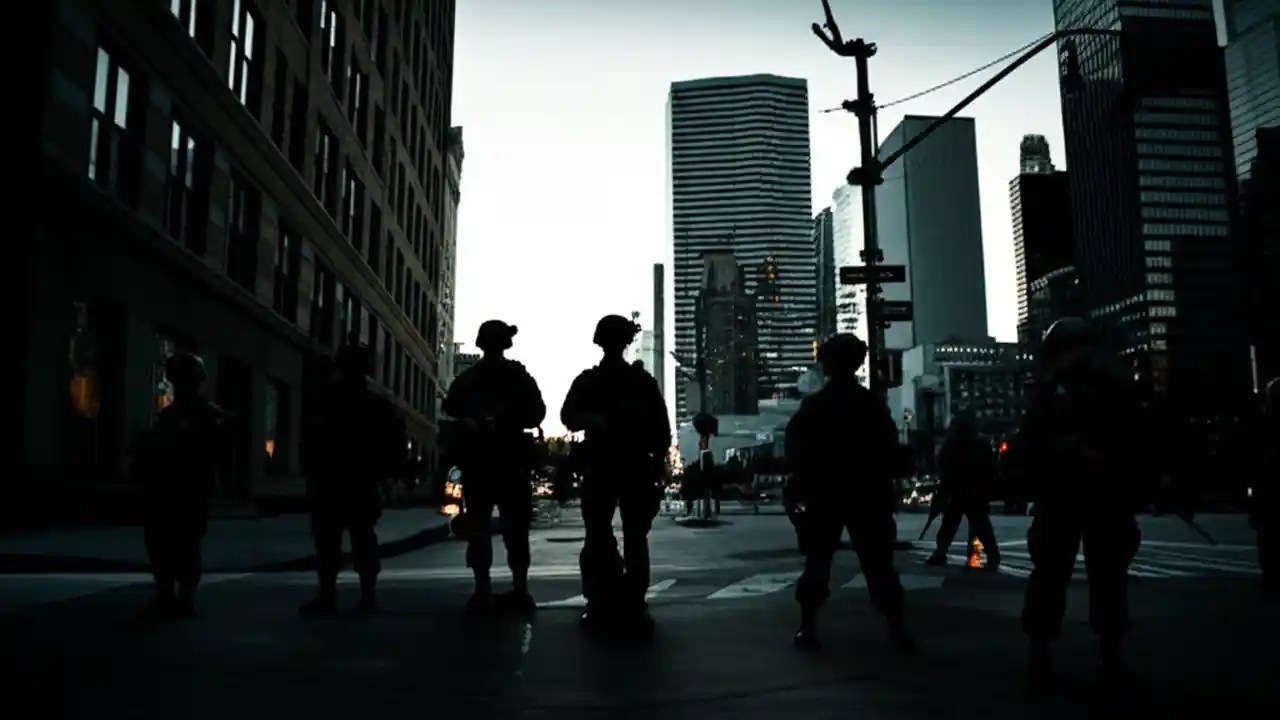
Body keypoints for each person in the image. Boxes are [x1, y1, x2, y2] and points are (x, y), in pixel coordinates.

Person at [1008, 317, 1152, 692]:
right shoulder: (1069, 390)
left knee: (1079, 578)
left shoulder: (1074, 389)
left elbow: (1136, 439)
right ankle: (1072, 656)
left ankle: (1089, 656)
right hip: (1076, 496)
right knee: (1072, 578)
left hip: (1085, 497)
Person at [784, 334, 915, 651]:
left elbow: (796, 452)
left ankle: (808, 627)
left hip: (825, 494)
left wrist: (801, 486)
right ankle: (896, 629)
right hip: (868, 494)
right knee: (880, 564)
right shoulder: (871, 404)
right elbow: (889, 452)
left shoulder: (814, 406)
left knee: (817, 561)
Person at [561, 314, 671, 632]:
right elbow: (569, 415)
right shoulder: (607, 381)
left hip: (625, 467)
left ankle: (616, 601)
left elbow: (660, 432)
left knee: (618, 536)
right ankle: (613, 600)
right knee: (613, 536)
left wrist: (655, 460)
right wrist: (593, 420)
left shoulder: (632, 382)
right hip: (610, 466)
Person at [442, 320, 546, 613]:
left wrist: (502, 420)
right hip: (490, 460)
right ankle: (507, 587)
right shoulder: (501, 377)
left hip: (499, 460)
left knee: (498, 528)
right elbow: (453, 407)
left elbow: (537, 411)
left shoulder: (493, 377)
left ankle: (492, 588)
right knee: (501, 529)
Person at [299, 343, 404, 615]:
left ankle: (338, 596)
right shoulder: (369, 405)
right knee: (349, 541)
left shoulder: (330, 402)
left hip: (348, 482)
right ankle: (355, 597)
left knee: (339, 541)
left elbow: (391, 448)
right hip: (347, 482)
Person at [132, 352, 227, 620]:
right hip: (164, 490)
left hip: (189, 491)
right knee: (160, 543)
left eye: (186, 380)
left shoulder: (207, 416)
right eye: (178, 380)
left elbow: (215, 454)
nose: (181, 386)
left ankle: (183, 598)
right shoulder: (169, 415)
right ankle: (166, 595)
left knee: (185, 545)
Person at [925, 409, 1001, 569]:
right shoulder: (979, 443)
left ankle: (943, 552)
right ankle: (987, 556)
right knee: (979, 525)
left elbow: (944, 464)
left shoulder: (954, 443)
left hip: (960, 488)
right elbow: (991, 468)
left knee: (952, 524)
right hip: (974, 489)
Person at [1253, 378, 1279, 599]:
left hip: (1268, 490)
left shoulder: (1263, 426)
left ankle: (1270, 576)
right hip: (1268, 490)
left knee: (1268, 536)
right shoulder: (1263, 427)